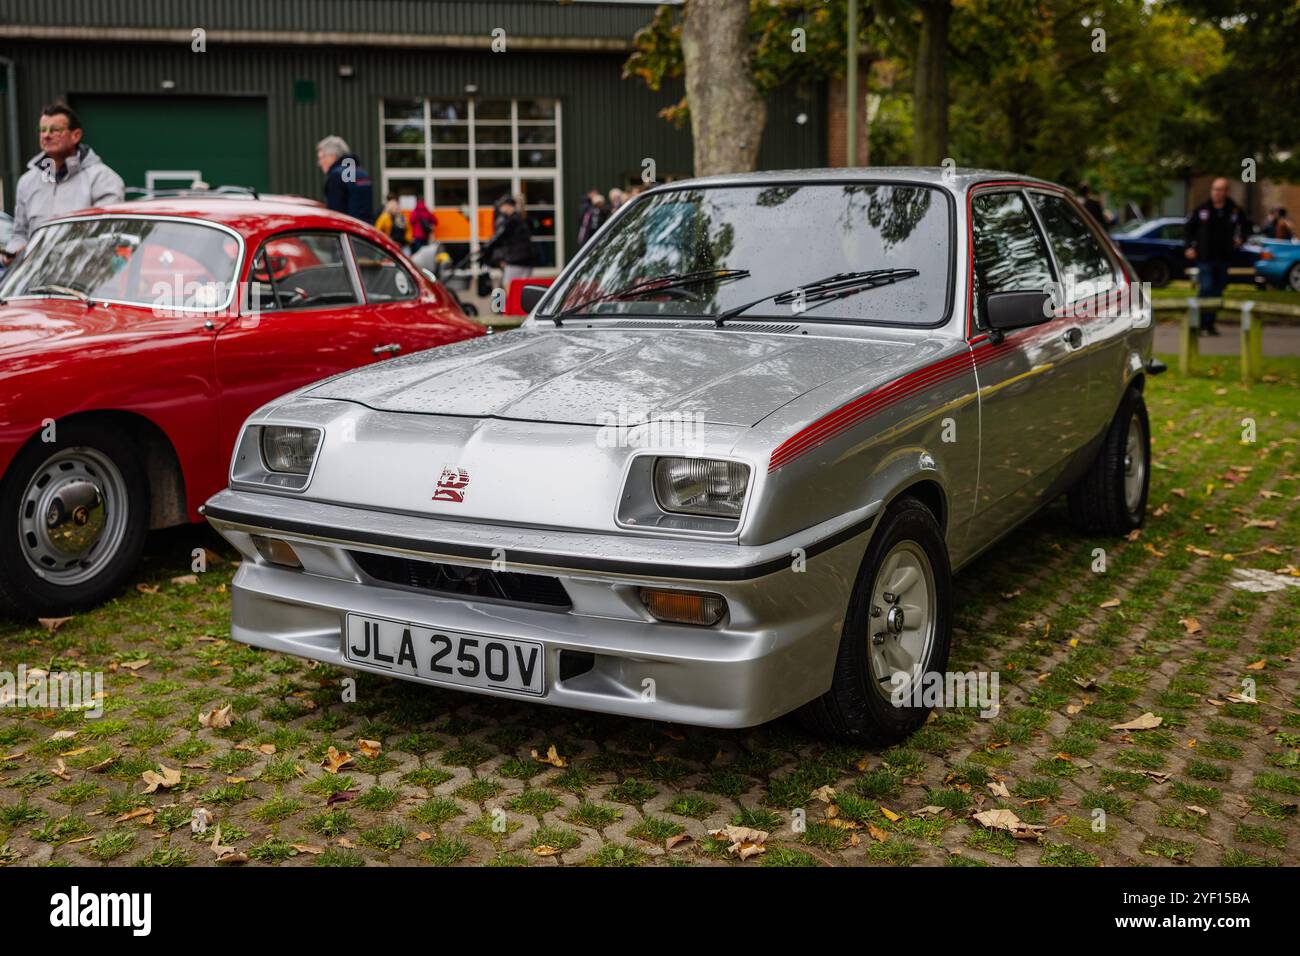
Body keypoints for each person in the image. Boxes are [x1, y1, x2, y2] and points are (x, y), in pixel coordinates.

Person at [2, 102, 124, 265]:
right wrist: (12, 252)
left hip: (85, 283)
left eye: (55, 130)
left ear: (76, 135)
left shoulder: (103, 179)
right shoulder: (27, 182)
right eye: (43, 130)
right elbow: (20, 234)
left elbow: (109, 236)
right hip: (35, 283)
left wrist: (51, 252)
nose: (46, 136)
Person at [1184, 177, 1247, 336]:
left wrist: (1241, 239)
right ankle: (1198, 322)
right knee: (1206, 287)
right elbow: (1188, 230)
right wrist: (1189, 247)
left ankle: (1209, 324)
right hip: (1204, 257)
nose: (1217, 193)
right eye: (1215, 189)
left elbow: (1246, 227)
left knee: (1217, 291)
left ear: (1226, 192)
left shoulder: (1234, 210)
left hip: (1224, 258)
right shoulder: (1202, 209)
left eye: (1220, 190)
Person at [479, 196, 539, 291]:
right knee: (519, 286)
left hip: (518, 260)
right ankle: (517, 304)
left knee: (509, 285)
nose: (500, 209)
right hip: (524, 259)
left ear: (508, 206)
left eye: (502, 206)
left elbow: (499, 237)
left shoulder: (512, 221)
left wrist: (485, 248)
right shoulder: (517, 219)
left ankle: (513, 305)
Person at [316, 135, 373, 222]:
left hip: (348, 232)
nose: (319, 163)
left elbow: (335, 215)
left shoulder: (336, 176)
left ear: (332, 156)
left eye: (321, 158)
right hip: (365, 231)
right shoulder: (362, 174)